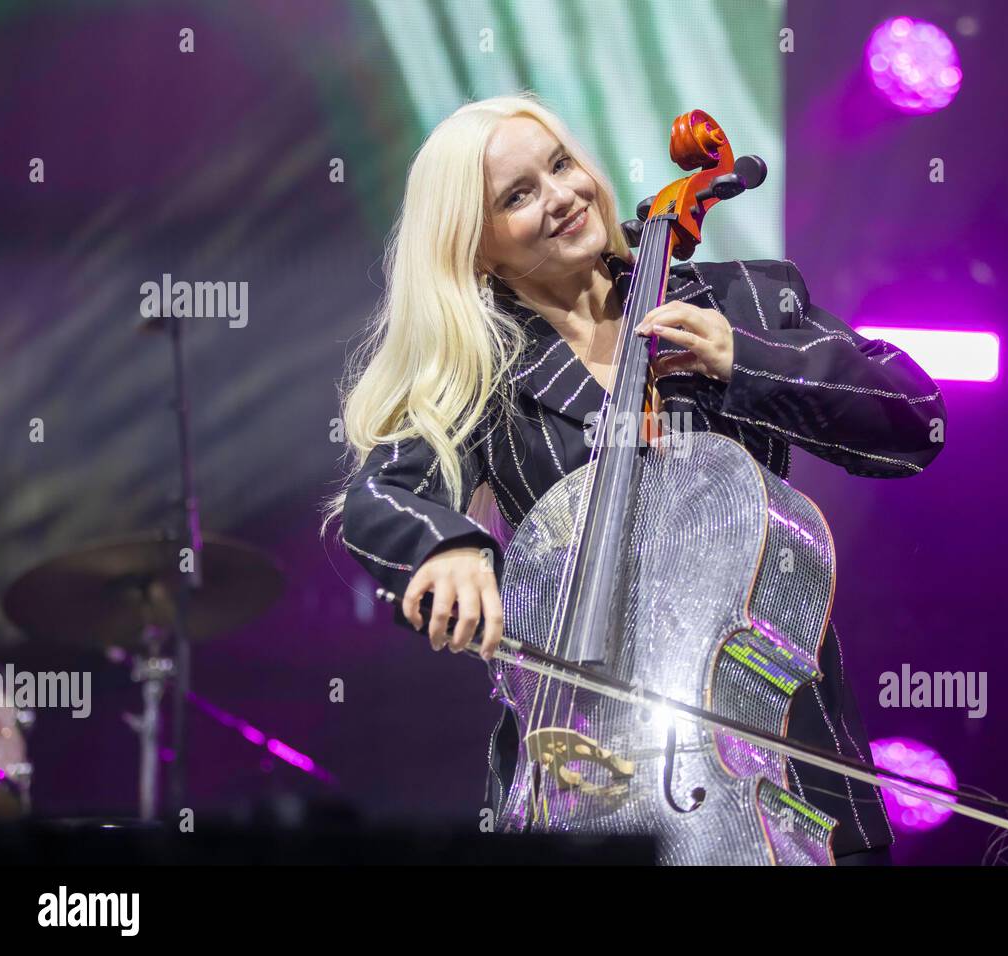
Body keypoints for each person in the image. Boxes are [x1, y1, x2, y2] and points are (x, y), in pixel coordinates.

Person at [326, 92, 946, 864]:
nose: (561, 197)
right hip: (587, 780)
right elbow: (380, 496)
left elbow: (914, 421)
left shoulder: (736, 300)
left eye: (560, 165)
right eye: (518, 196)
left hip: (783, 769)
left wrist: (744, 360)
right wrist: (445, 547)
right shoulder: (483, 378)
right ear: (476, 246)